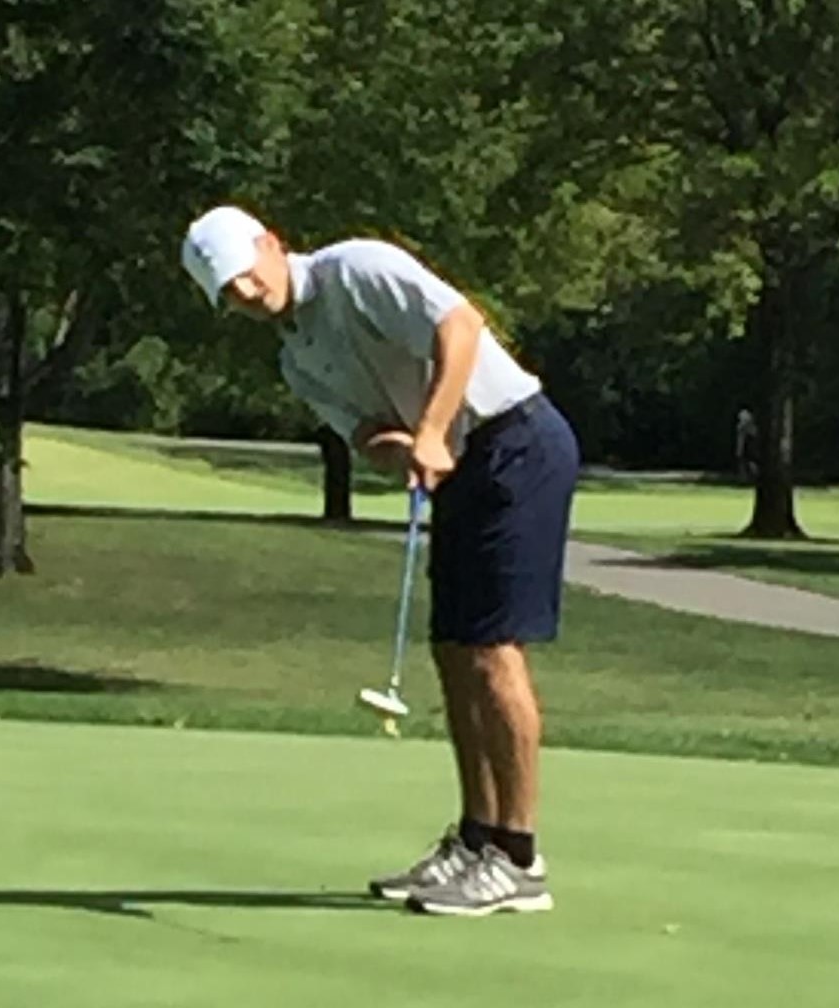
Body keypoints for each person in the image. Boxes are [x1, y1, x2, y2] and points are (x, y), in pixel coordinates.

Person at [181, 205, 580, 917]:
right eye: (227, 294)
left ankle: (518, 858)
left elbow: (460, 326)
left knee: (491, 649)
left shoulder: (358, 267)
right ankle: (476, 839)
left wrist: (430, 430)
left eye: (244, 274)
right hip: (460, 467)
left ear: (271, 243)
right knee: (453, 649)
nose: (244, 294)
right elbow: (363, 431)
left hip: (517, 442)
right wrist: (394, 449)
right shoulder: (296, 359)